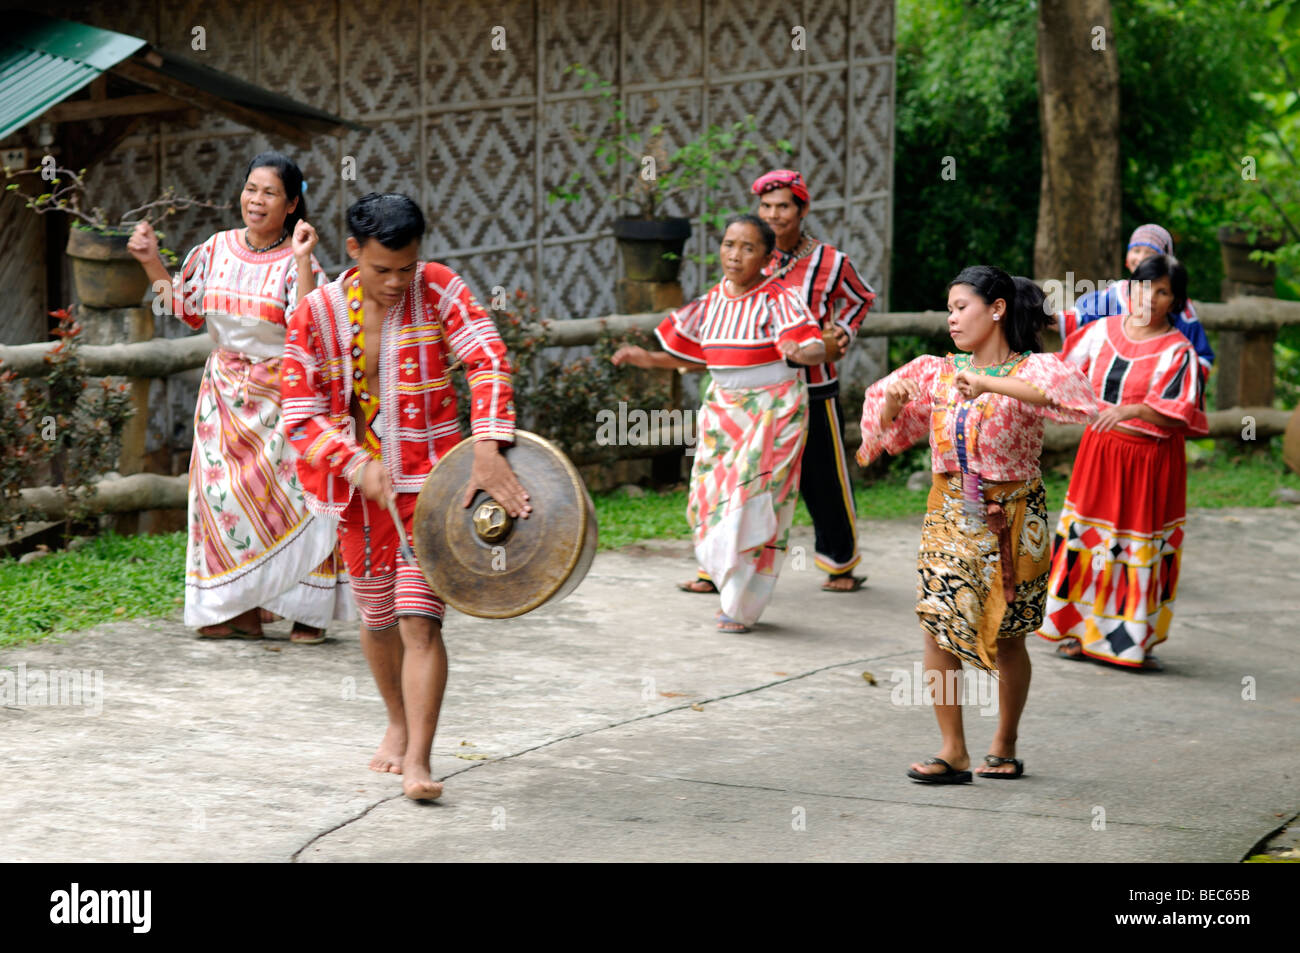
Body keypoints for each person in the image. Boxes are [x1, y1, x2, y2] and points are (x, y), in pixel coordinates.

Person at [281, 192, 528, 800]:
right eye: (382, 270)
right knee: (377, 614)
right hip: (358, 497)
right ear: (353, 252)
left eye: (406, 268)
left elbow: (487, 357)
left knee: (421, 620)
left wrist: (488, 444)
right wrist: (354, 462)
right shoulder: (315, 313)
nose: (397, 282)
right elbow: (297, 411)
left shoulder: (438, 287)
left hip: (435, 488)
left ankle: (420, 758)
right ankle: (395, 719)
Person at [857, 267, 1097, 782]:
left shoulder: (1035, 368)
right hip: (949, 512)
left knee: (1010, 636)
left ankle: (1004, 743)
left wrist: (987, 383)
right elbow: (884, 439)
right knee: (937, 627)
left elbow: (1072, 401)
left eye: (961, 306)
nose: (952, 318)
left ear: (997, 309)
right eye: (949, 308)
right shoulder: (933, 372)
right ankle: (952, 750)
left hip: (1014, 518)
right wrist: (891, 411)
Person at [128, 151, 352, 642]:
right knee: (221, 499)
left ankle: (307, 613)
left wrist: (301, 260)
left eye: (270, 193)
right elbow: (184, 308)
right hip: (224, 398)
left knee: (296, 498)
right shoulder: (214, 249)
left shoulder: (301, 256)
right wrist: (149, 259)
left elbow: (309, 327)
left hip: (284, 396)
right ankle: (241, 609)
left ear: (292, 204)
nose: (256, 200)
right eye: (252, 189)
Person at [614, 214, 826, 632]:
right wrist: (647, 358)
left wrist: (802, 352)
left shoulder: (779, 298)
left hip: (773, 412)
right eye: (730, 244)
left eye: (748, 248)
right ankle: (726, 583)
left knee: (752, 500)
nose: (735, 255)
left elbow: (815, 346)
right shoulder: (710, 302)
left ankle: (740, 606)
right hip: (722, 414)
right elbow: (694, 358)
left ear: (766, 257)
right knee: (707, 501)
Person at [677, 169, 876, 594]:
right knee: (731, 476)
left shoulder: (830, 261)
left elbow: (861, 297)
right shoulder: (751, 256)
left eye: (783, 206)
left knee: (824, 477)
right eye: (766, 206)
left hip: (814, 386)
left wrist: (844, 330)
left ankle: (841, 563)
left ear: (802, 209)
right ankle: (715, 567)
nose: (774, 214)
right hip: (749, 395)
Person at [1038, 255, 1208, 671]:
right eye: (1143, 286)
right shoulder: (1099, 333)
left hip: (1149, 461)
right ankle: (1077, 631)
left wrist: (1131, 412)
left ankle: (1130, 640)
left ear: (1176, 301)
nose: (1150, 297)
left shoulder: (1179, 351)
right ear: (1129, 289)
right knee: (1090, 539)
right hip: (1100, 453)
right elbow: (1061, 377)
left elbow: (1181, 409)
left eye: (1163, 290)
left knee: (1135, 544)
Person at [1059, 223, 1214, 379]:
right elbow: (1084, 317)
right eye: (1136, 250)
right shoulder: (1115, 293)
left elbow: (1199, 357)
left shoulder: (1181, 310)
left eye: (1150, 253)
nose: (1140, 258)